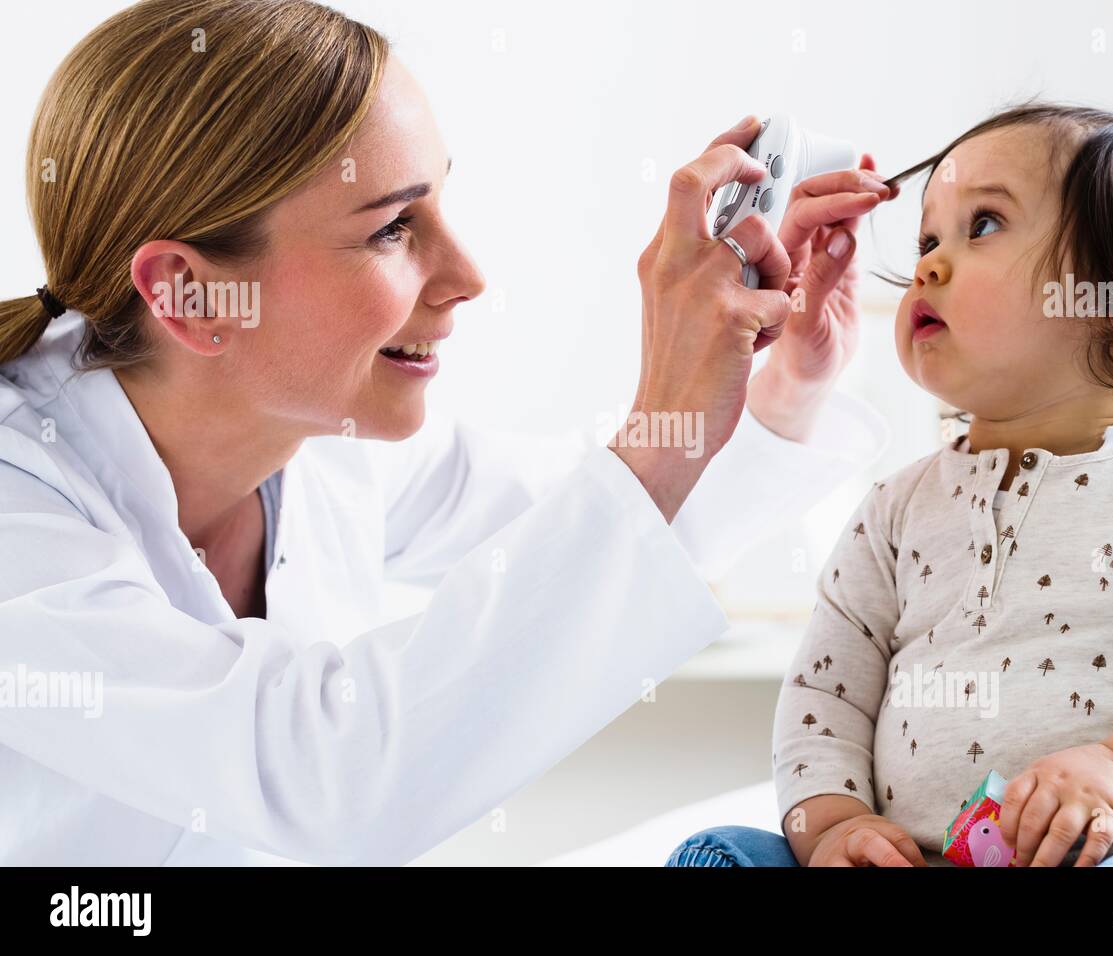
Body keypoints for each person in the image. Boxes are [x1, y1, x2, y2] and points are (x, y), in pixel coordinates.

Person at [0, 0, 898, 864]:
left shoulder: (321, 442)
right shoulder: (20, 515)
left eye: (437, 207)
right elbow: (332, 780)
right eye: (391, 227)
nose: (467, 275)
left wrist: (785, 385)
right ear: (187, 295)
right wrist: (664, 417)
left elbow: (597, 539)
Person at [667, 103, 1113, 868]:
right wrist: (834, 825)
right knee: (723, 852)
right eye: (928, 238)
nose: (929, 264)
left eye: (985, 225)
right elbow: (825, 698)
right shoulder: (893, 514)